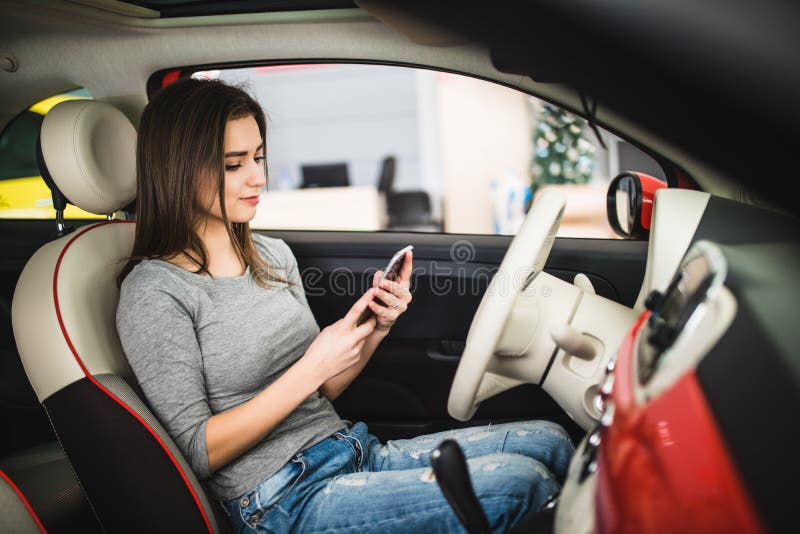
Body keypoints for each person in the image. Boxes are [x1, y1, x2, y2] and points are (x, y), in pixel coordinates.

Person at [115, 77, 574, 533]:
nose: (259, 177)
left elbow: (321, 393)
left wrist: (375, 328)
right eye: (234, 165)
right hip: (280, 499)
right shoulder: (156, 291)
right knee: (521, 486)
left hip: (351, 451)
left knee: (553, 444)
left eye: (258, 157)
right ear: (178, 168)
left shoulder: (273, 256)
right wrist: (312, 367)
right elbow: (196, 451)